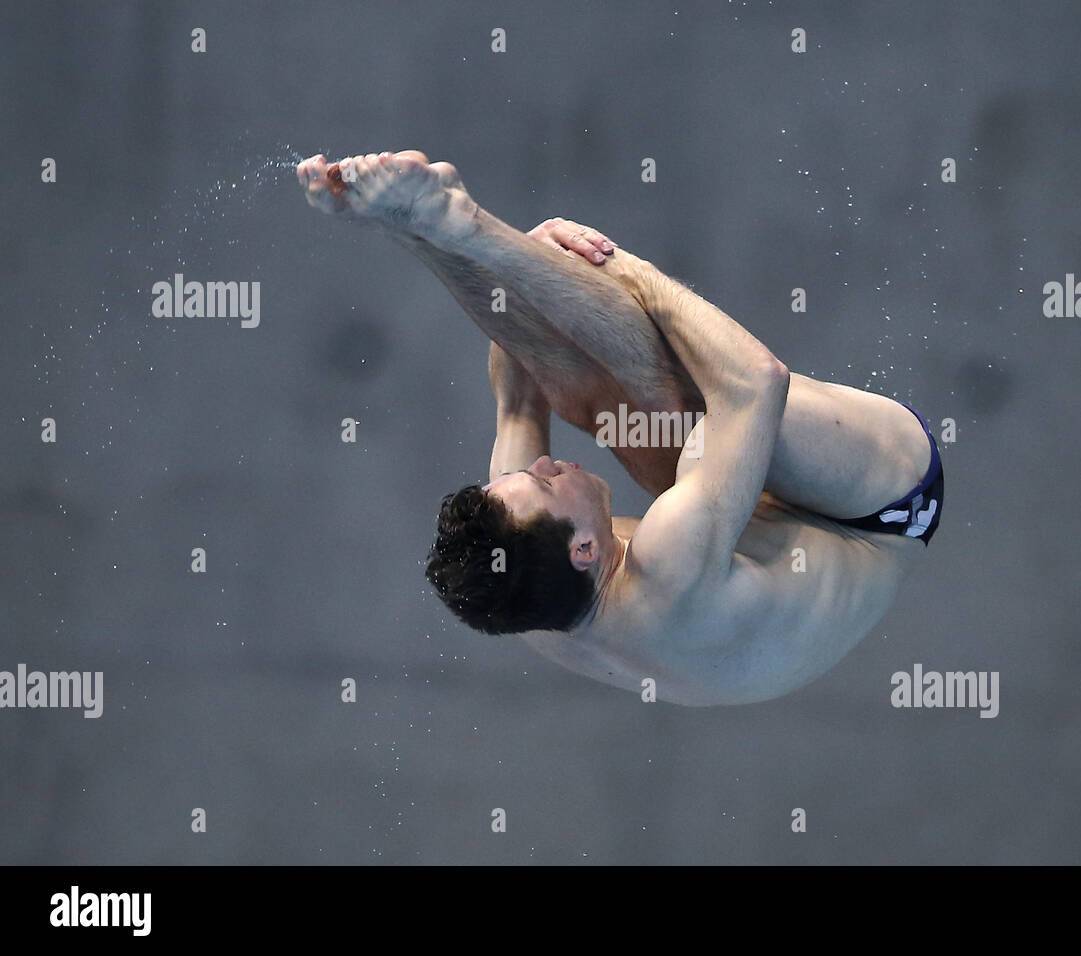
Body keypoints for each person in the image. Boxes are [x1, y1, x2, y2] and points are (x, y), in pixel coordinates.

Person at [297, 150, 943, 705]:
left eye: (529, 474)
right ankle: (468, 225)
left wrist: (414, 232)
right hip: (882, 512)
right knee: (674, 401)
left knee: (582, 396)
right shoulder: (669, 571)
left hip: (754, 525)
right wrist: (616, 265)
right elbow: (757, 382)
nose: (546, 467)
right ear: (583, 550)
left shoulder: (524, 593)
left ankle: (417, 223)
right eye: (546, 484)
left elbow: (521, 391)